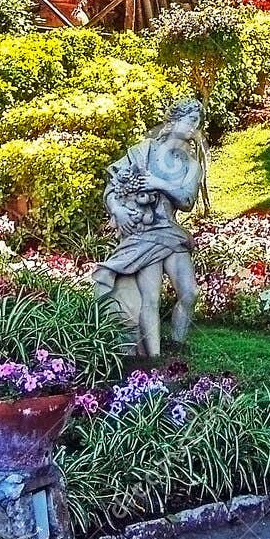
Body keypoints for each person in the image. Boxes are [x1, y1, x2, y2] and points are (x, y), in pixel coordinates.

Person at [94, 98, 208, 357]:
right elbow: (113, 189)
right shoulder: (142, 151)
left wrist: (160, 183)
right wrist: (119, 210)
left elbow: (188, 201)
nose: (195, 127)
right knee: (151, 298)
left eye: (198, 122)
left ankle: (177, 348)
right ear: (174, 121)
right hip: (143, 233)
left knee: (189, 294)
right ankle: (152, 358)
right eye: (190, 120)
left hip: (170, 233)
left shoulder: (191, 165)